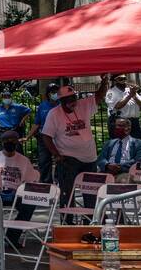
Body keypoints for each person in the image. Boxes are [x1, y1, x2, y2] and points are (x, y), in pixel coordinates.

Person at [41, 78, 109, 206]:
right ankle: (68, 221)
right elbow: (46, 136)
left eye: (74, 98)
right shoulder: (54, 114)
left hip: (89, 158)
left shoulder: (83, 105)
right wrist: (56, 155)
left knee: (91, 192)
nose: (73, 102)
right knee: (67, 192)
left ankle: (89, 221)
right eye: (68, 100)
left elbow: (99, 96)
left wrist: (104, 83)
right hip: (68, 158)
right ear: (61, 101)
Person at [29, 82, 62, 182]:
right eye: (52, 92)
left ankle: (60, 180)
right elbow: (37, 123)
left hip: (59, 136)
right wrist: (28, 136)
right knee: (44, 161)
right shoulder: (43, 106)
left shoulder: (61, 105)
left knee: (60, 160)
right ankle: (46, 184)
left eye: (56, 91)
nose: (55, 93)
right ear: (48, 93)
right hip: (44, 137)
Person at [105, 73, 141, 139]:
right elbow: (117, 106)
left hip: (134, 122)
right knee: (120, 145)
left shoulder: (130, 90)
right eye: (121, 79)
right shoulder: (111, 92)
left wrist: (134, 96)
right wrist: (130, 96)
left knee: (136, 144)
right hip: (120, 123)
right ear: (115, 81)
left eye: (125, 78)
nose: (124, 81)